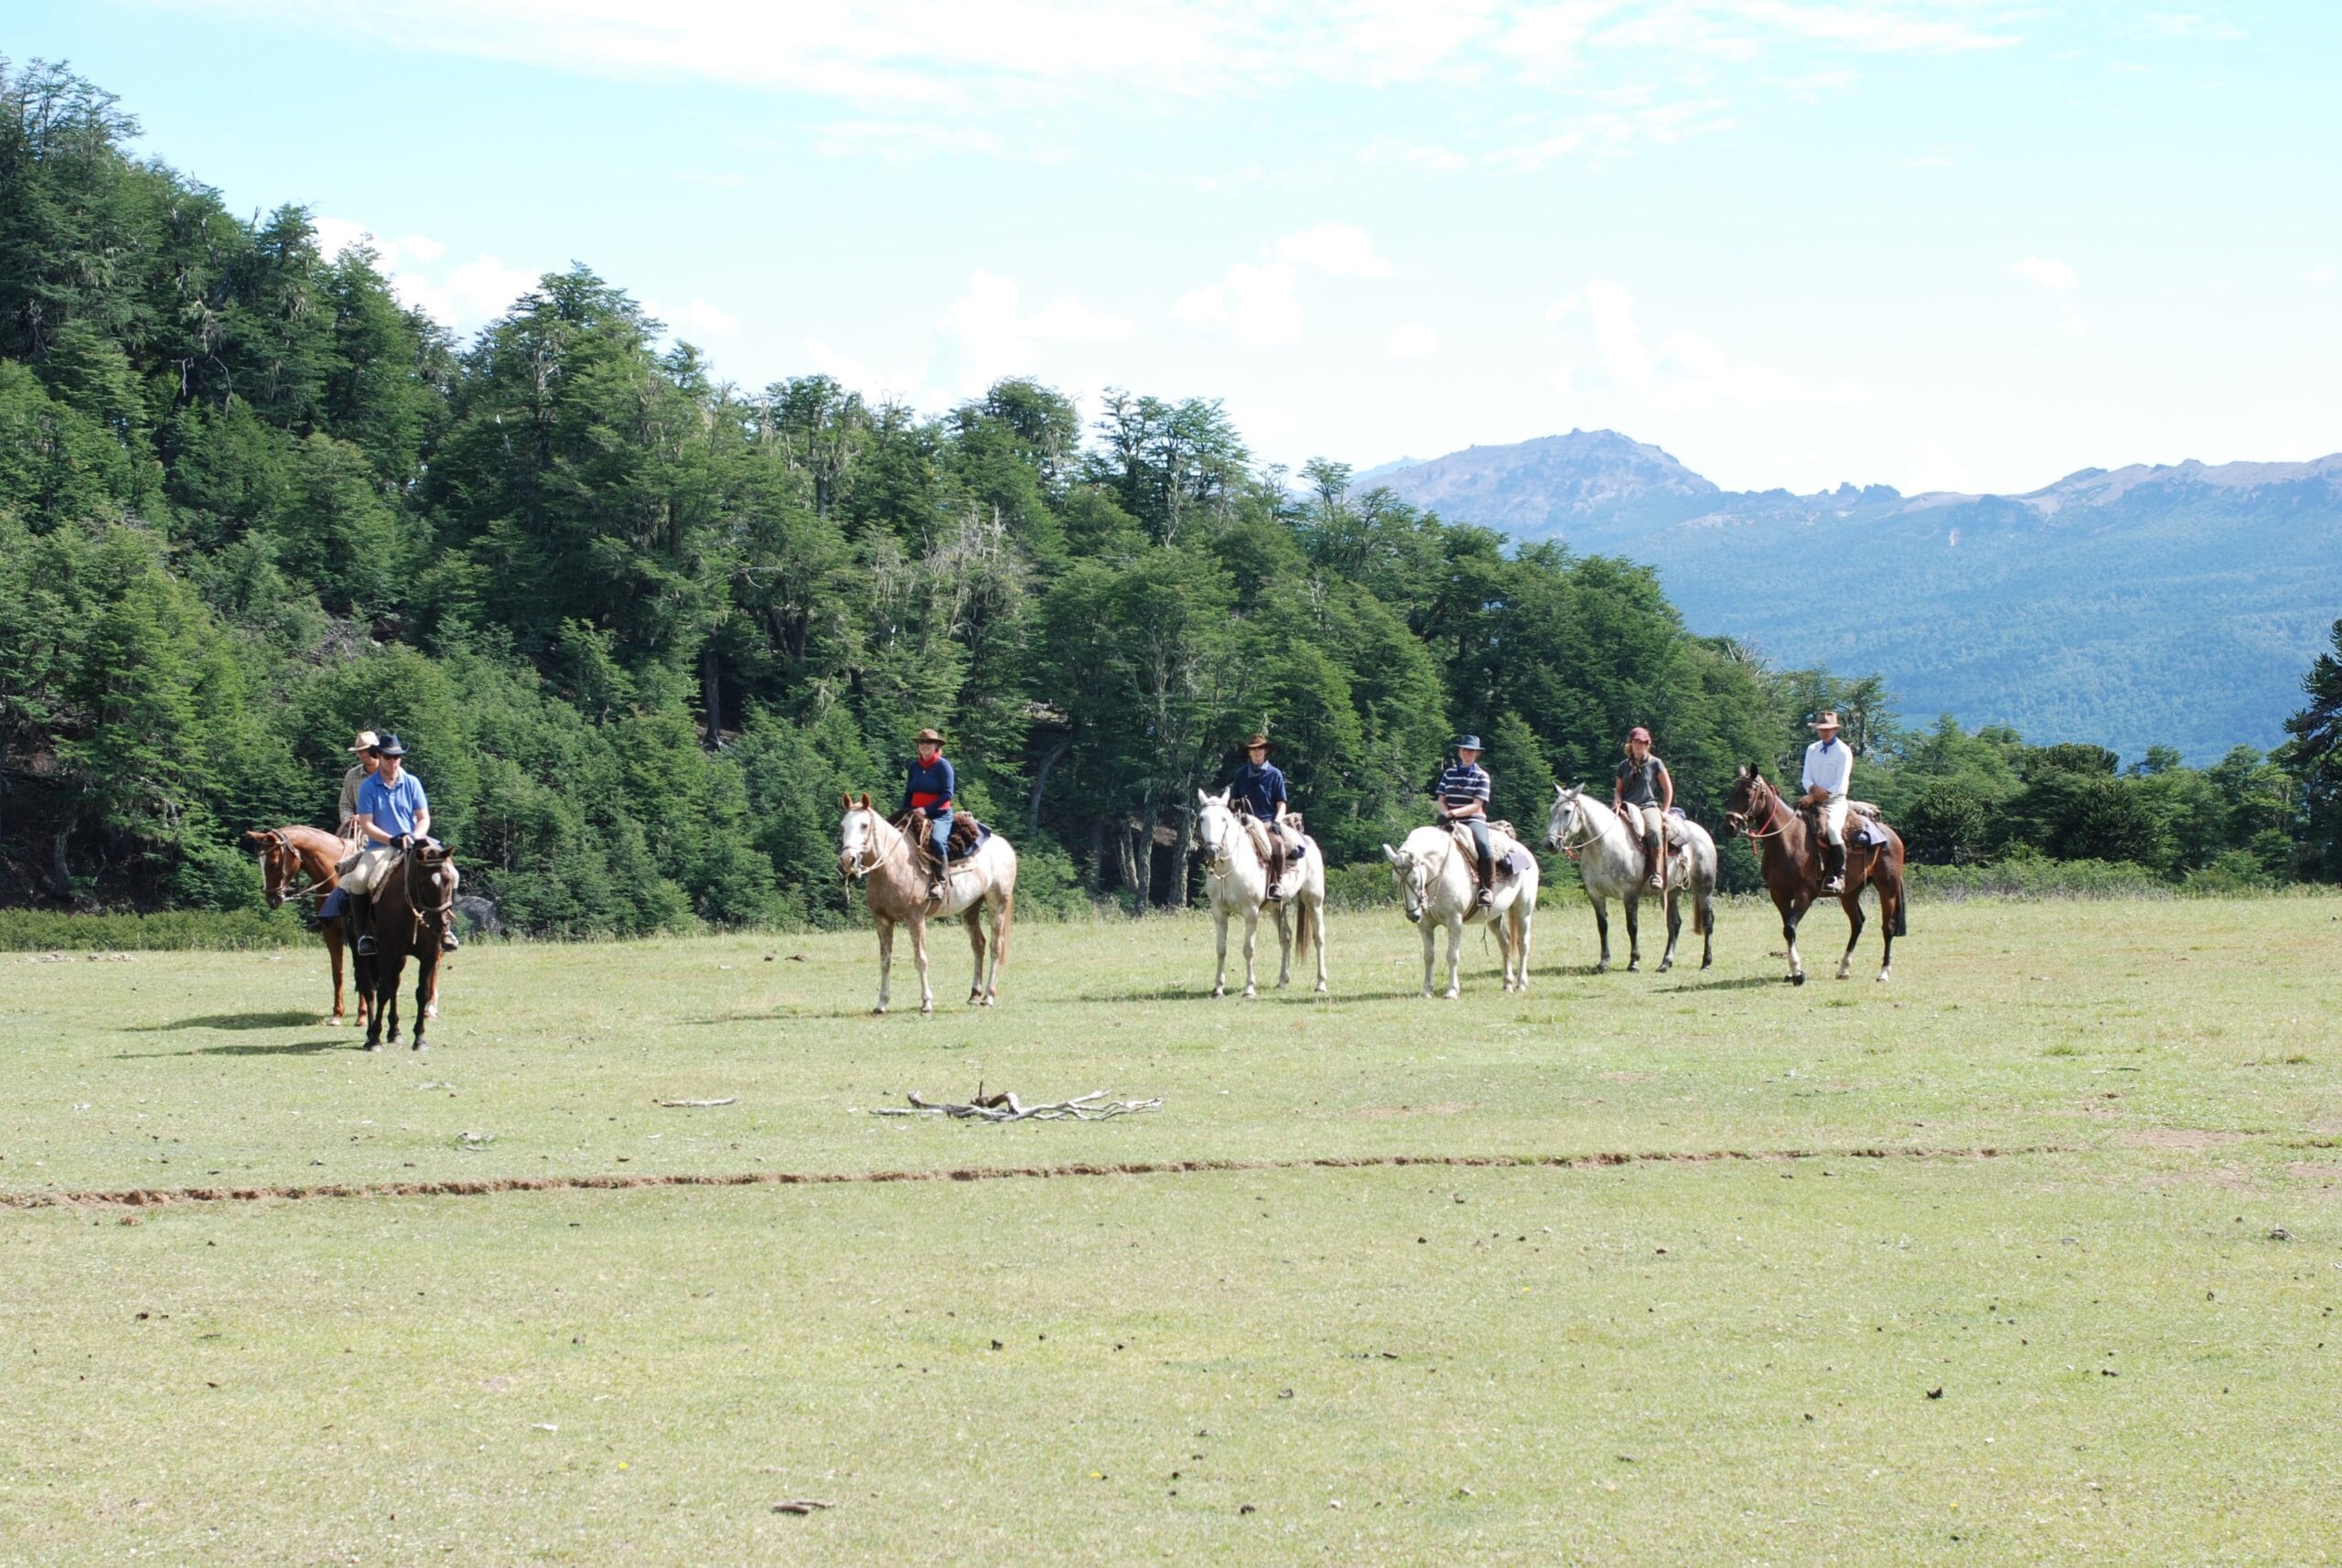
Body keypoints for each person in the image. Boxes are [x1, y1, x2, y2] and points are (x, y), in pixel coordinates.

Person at [342, 734, 457, 955]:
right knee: (358, 880)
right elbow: (366, 823)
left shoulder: (412, 782)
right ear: (379, 757)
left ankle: (446, 929)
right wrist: (391, 839)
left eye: (397, 758)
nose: (393, 762)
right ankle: (365, 934)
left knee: (452, 874)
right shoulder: (368, 787)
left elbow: (423, 817)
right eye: (388, 757)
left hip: (415, 843)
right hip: (380, 845)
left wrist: (414, 836)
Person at [314, 731, 381, 929]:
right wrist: (350, 820)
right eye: (359, 752)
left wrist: (368, 818)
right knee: (331, 861)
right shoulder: (353, 775)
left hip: (381, 830)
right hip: (355, 831)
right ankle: (331, 909)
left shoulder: (386, 773)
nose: (362, 755)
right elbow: (345, 804)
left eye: (365, 751)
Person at [1227, 733, 1299, 901]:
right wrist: (1235, 804)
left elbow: (1281, 803)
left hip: (1267, 822)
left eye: (1260, 749)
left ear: (1265, 751)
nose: (1257, 752)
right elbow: (1231, 800)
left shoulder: (1275, 774)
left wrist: (1276, 822)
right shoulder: (1241, 774)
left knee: (1278, 844)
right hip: (1244, 822)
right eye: (1254, 750)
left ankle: (1278, 883)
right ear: (1249, 753)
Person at [1431, 735, 1495, 907]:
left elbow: (1477, 805)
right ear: (1460, 752)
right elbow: (1441, 798)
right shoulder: (1449, 773)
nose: (1468, 753)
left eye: (1471, 751)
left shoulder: (1482, 776)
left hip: (1473, 819)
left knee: (1484, 846)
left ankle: (1487, 889)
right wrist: (1445, 814)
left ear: (1477, 754)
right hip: (1450, 819)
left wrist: (1452, 814)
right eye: (1465, 750)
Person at [1612, 725, 1674, 891]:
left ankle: (1656, 873)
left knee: (1654, 831)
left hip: (1647, 806)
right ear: (1630, 743)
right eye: (1636, 742)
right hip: (1626, 806)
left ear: (1648, 744)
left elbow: (1668, 788)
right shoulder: (1623, 766)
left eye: (1643, 742)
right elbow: (1618, 789)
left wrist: (1665, 811)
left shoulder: (1656, 763)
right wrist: (1617, 801)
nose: (1639, 745)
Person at [900, 727, 957, 905]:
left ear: (936, 746)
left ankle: (940, 881)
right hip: (915, 814)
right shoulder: (914, 766)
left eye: (929, 743)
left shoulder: (943, 766)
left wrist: (926, 809)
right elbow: (909, 792)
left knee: (937, 840)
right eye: (922, 743)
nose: (925, 746)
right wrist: (903, 812)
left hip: (939, 814)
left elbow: (948, 794)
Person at [1801, 709, 1854, 894]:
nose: (1824, 732)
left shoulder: (1843, 751)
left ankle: (1839, 876)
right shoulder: (1812, 749)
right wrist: (1811, 789)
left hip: (1835, 801)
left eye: (1828, 729)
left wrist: (1816, 795)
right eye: (1821, 729)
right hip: (1812, 799)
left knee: (1832, 829)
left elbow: (1840, 784)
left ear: (1835, 730)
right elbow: (1806, 778)